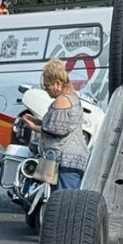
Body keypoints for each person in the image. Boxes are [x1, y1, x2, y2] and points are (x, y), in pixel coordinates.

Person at [21, 59, 89, 190]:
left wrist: (33, 126)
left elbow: (57, 130)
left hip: (64, 161)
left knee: (64, 202)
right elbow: (61, 125)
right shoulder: (72, 97)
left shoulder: (62, 101)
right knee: (68, 201)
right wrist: (38, 121)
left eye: (47, 86)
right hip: (73, 160)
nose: (46, 90)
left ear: (57, 84)